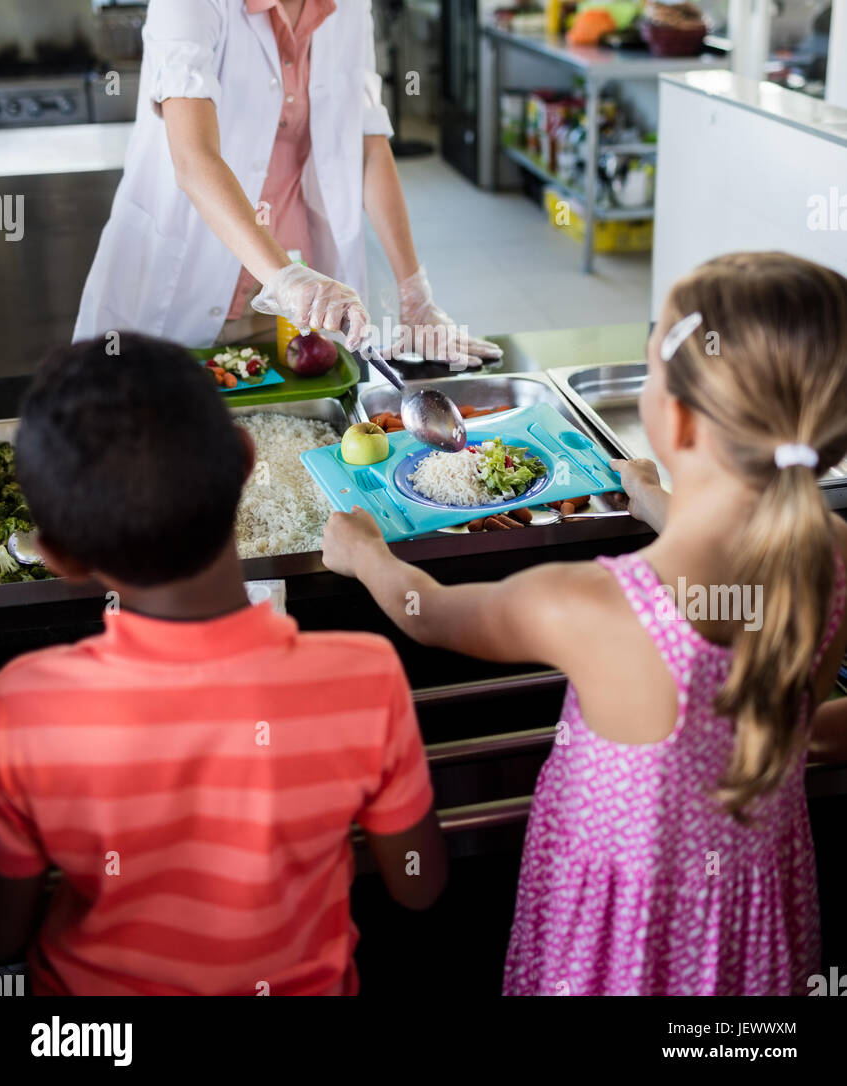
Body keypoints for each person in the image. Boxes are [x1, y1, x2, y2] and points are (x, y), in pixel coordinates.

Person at [322, 251, 847, 996]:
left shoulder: (597, 605)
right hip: (756, 918)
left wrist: (365, 555)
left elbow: (430, 614)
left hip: (618, 934)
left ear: (678, 419)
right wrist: (660, 503)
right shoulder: (831, 552)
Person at [0, 335, 446, 995]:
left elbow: (3, 927)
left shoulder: (22, 703)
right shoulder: (364, 674)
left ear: (56, 555)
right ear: (246, 460)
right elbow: (419, 885)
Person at [73, 0, 499, 368]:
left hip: (293, 310)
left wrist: (413, 292)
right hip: (184, 288)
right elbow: (194, 159)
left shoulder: (349, 0)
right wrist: (288, 277)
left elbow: (369, 148)